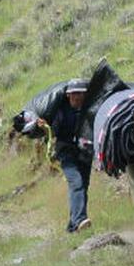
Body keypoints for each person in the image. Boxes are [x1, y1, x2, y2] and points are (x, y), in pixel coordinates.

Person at [38, 81, 93, 233]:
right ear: (68, 95)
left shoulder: (89, 110)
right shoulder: (61, 112)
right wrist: (44, 128)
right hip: (66, 153)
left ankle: (72, 226)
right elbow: (53, 132)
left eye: (81, 93)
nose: (78, 96)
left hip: (85, 153)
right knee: (76, 182)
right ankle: (80, 220)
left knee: (83, 187)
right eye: (75, 93)